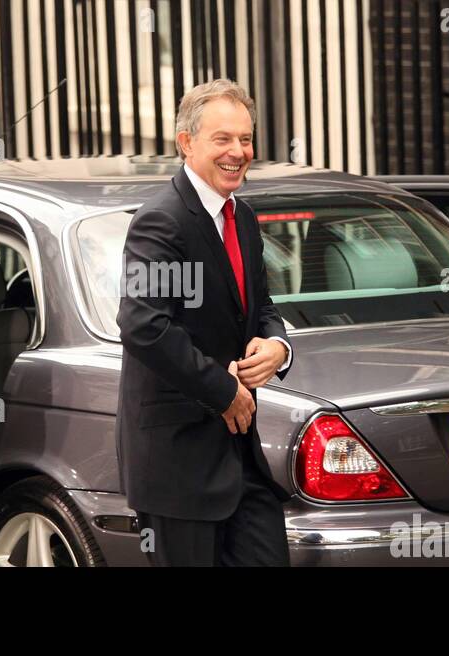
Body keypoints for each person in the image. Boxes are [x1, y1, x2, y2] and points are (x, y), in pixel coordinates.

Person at [115, 79, 293, 567]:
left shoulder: (245, 218)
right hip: (178, 464)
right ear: (186, 142)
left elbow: (261, 309)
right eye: (223, 139)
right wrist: (223, 391)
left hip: (242, 461)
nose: (238, 152)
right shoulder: (161, 221)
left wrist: (278, 346)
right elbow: (143, 326)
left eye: (245, 139)